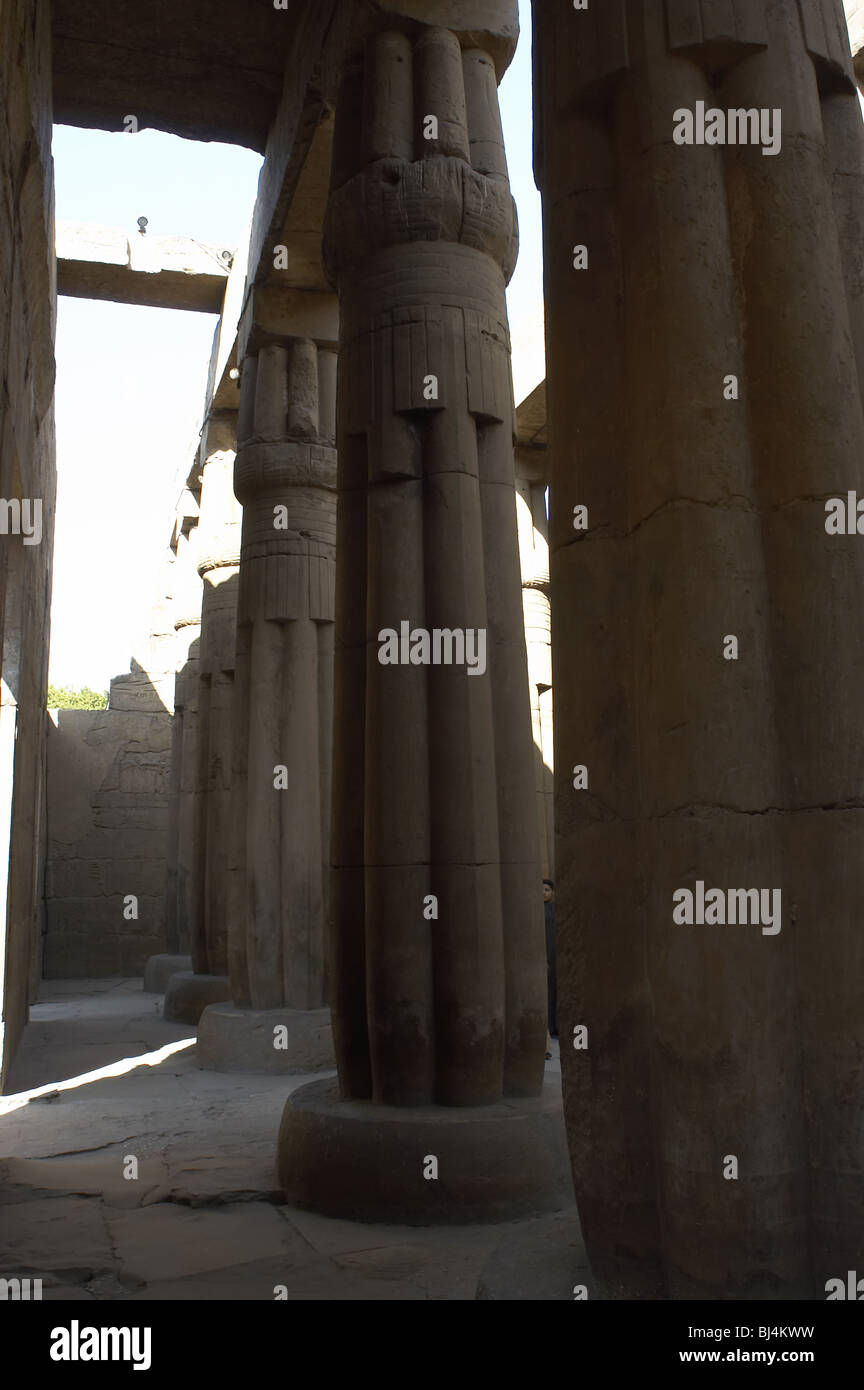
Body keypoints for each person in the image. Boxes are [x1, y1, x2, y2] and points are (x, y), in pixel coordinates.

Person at [543, 878, 557, 1055]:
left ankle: (555, 1025)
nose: (543, 892)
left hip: (554, 955)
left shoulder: (555, 910)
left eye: (547, 889)